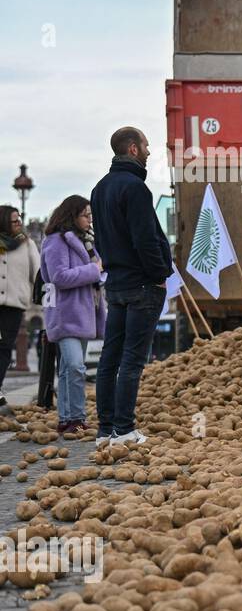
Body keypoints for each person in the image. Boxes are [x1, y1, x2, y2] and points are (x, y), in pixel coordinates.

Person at [90, 127, 174, 443]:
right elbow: (145, 239)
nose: (150, 151)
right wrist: (158, 274)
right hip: (142, 284)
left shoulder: (99, 190)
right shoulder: (135, 189)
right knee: (132, 359)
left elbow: (101, 239)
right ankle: (125, 430)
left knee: (110, 358)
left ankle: (105, 429)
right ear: (133, 149)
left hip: (116, 284)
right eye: (147, 145)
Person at [40, 196, 106, 436]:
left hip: (83, 313)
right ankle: (77, 417)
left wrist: (98, 270)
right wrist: (94, 270)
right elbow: (58, 277)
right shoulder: (55, 241)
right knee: (76, 367)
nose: (90, 219)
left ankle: (66, 419)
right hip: (65, 314)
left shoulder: (88, 241)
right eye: (85, 215)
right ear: (72, 216)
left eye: (90, 215)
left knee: (69, 368)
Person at [0, 204, 41, 418]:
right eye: (14, 221)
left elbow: (38, 273)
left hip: (15, 305)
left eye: (20, 220)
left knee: (5, 348)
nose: (19, 224)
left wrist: (40, 299)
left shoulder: (27, 244)